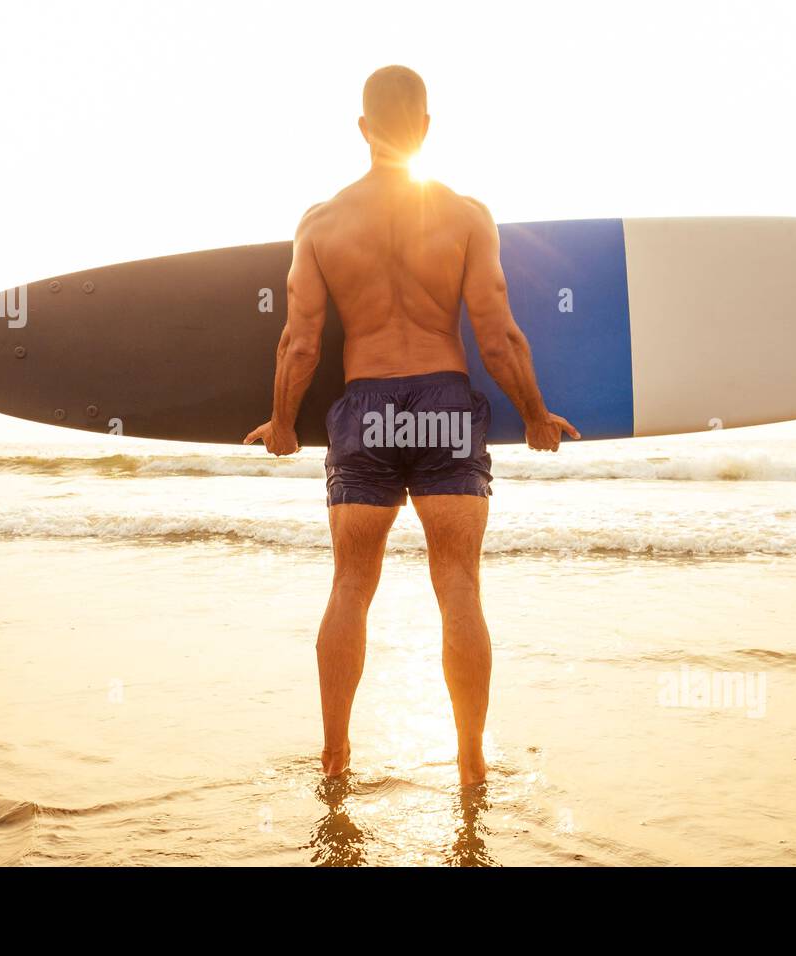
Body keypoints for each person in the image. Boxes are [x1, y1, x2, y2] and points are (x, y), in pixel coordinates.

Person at [245, 65, 577, 787]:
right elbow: (499, 334)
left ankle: (334, 758)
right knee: (458, 581)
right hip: (444, 403)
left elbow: (298, 341)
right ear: (426, 127)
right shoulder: (462, 216)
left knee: (349, 587)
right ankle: (469, 762)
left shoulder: (321, 224)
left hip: (365, 408)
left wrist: (280, 421)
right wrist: (534, 415)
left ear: (362, 129)